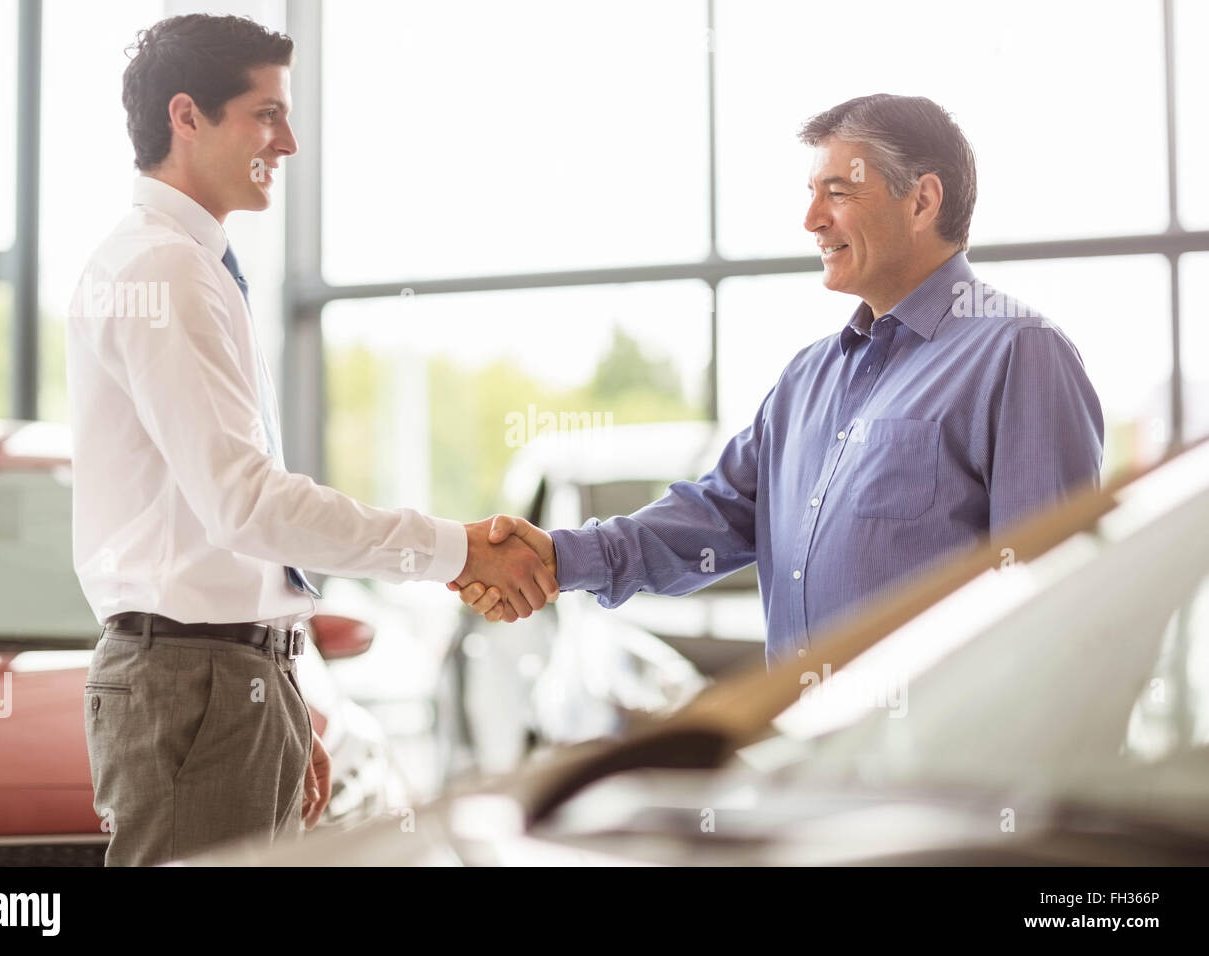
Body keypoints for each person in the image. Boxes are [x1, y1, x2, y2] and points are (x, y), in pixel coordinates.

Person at [67, 13, 556, 866]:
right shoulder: (165, 268)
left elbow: (217, 518)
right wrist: (454, 551)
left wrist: (279, 703)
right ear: (187, 117)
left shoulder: (187, 263)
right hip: (200, 681)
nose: (287, 141)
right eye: (265, 113)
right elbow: (246, 504)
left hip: (224, 680)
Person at [453, 94, 1104, 669]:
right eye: (811, 194)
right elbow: (711, 515)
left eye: (837, 192)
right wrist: (558, 558)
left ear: (923, 201)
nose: (811, 219)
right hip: (811, 777)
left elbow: (1054, 611)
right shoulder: (807, 380)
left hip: (941, 789)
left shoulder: (1020, 356)